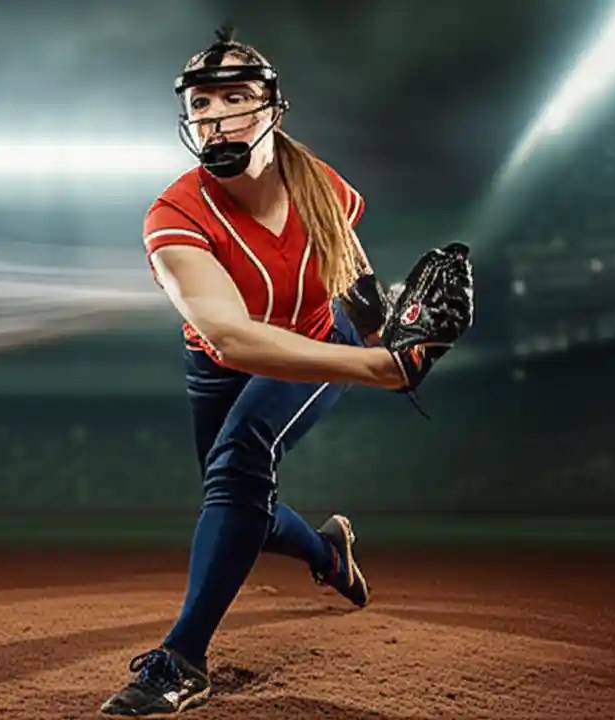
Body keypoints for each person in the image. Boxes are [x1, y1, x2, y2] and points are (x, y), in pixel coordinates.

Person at [100, 27, 408, 717]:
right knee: (242, 506)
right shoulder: (173, 214)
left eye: (235, 98)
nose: (216, 119)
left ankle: (182, 658)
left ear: (274, 108)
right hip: (218, 363)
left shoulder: (324, 187)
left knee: (238, 464)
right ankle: (329, 555)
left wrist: (388, 337)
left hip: (314, 339)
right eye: (202, 105)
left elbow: (352, 276)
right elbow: (231, 338)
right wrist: (378, 366)